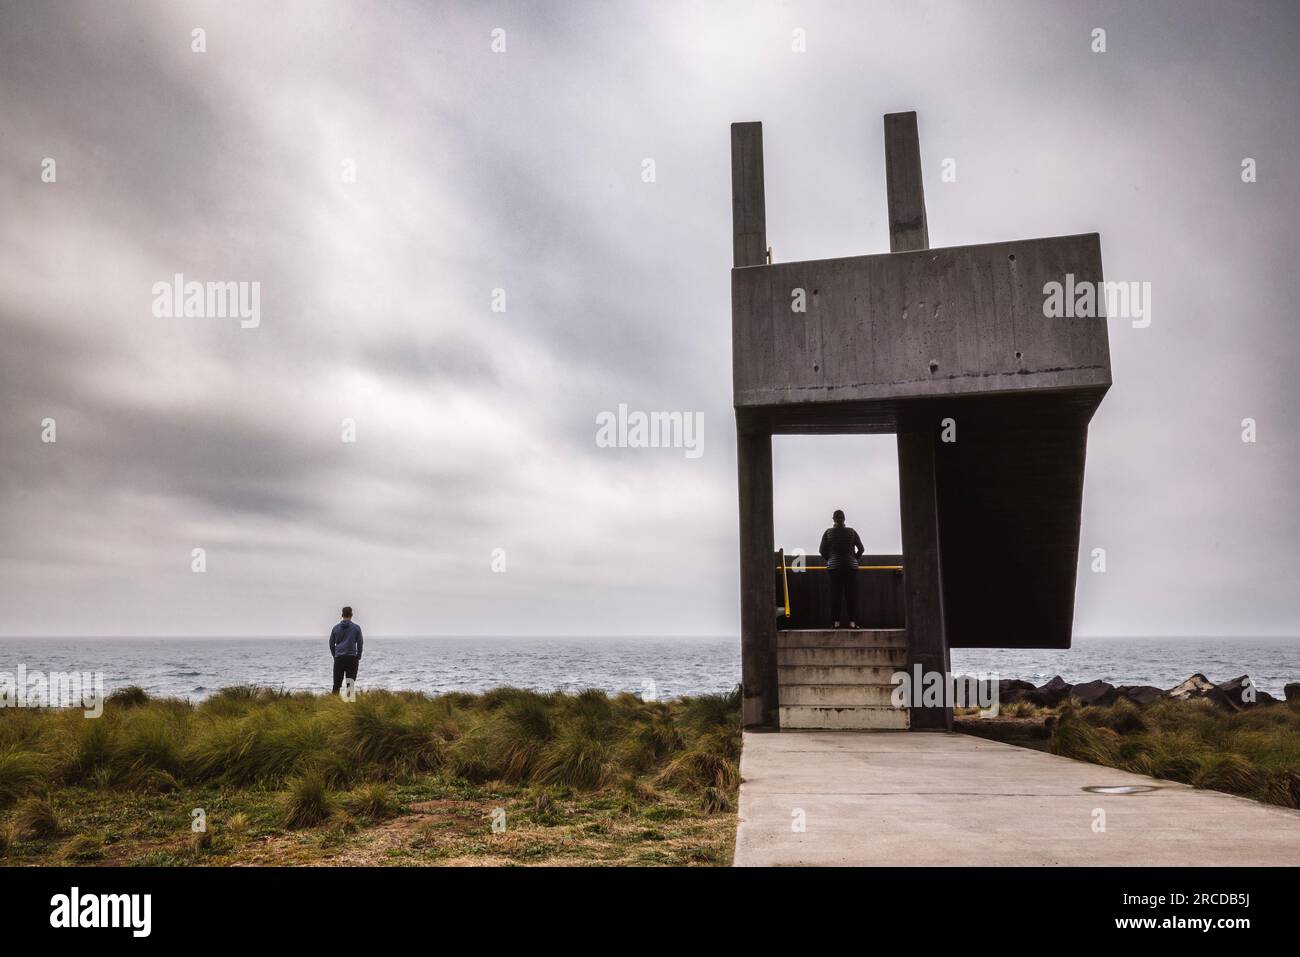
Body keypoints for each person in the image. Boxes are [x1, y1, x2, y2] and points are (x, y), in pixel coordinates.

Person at [819, 510, 865, 628]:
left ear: (833, 519)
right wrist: (854, 558)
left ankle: (835, 622)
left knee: (836, 595)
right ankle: (853, 622)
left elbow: (821, 551)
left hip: (834, 568)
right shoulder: (851, 532)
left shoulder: (828, 532)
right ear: (844, 519)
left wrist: (830, 559)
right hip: (851, 567)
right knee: (851, 595)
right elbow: (861, 549)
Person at [329, 606, 363, 695]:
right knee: (350, 685)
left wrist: (335, 656)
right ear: (351, 615)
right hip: (352, 658)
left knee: (336, 685)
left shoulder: (335, 628)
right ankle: (349, 706)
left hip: (339, 658)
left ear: (342, 615)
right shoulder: (356, 628)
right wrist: (358, 656)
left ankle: (332, 706)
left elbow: (331, 644)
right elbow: (360, 643)